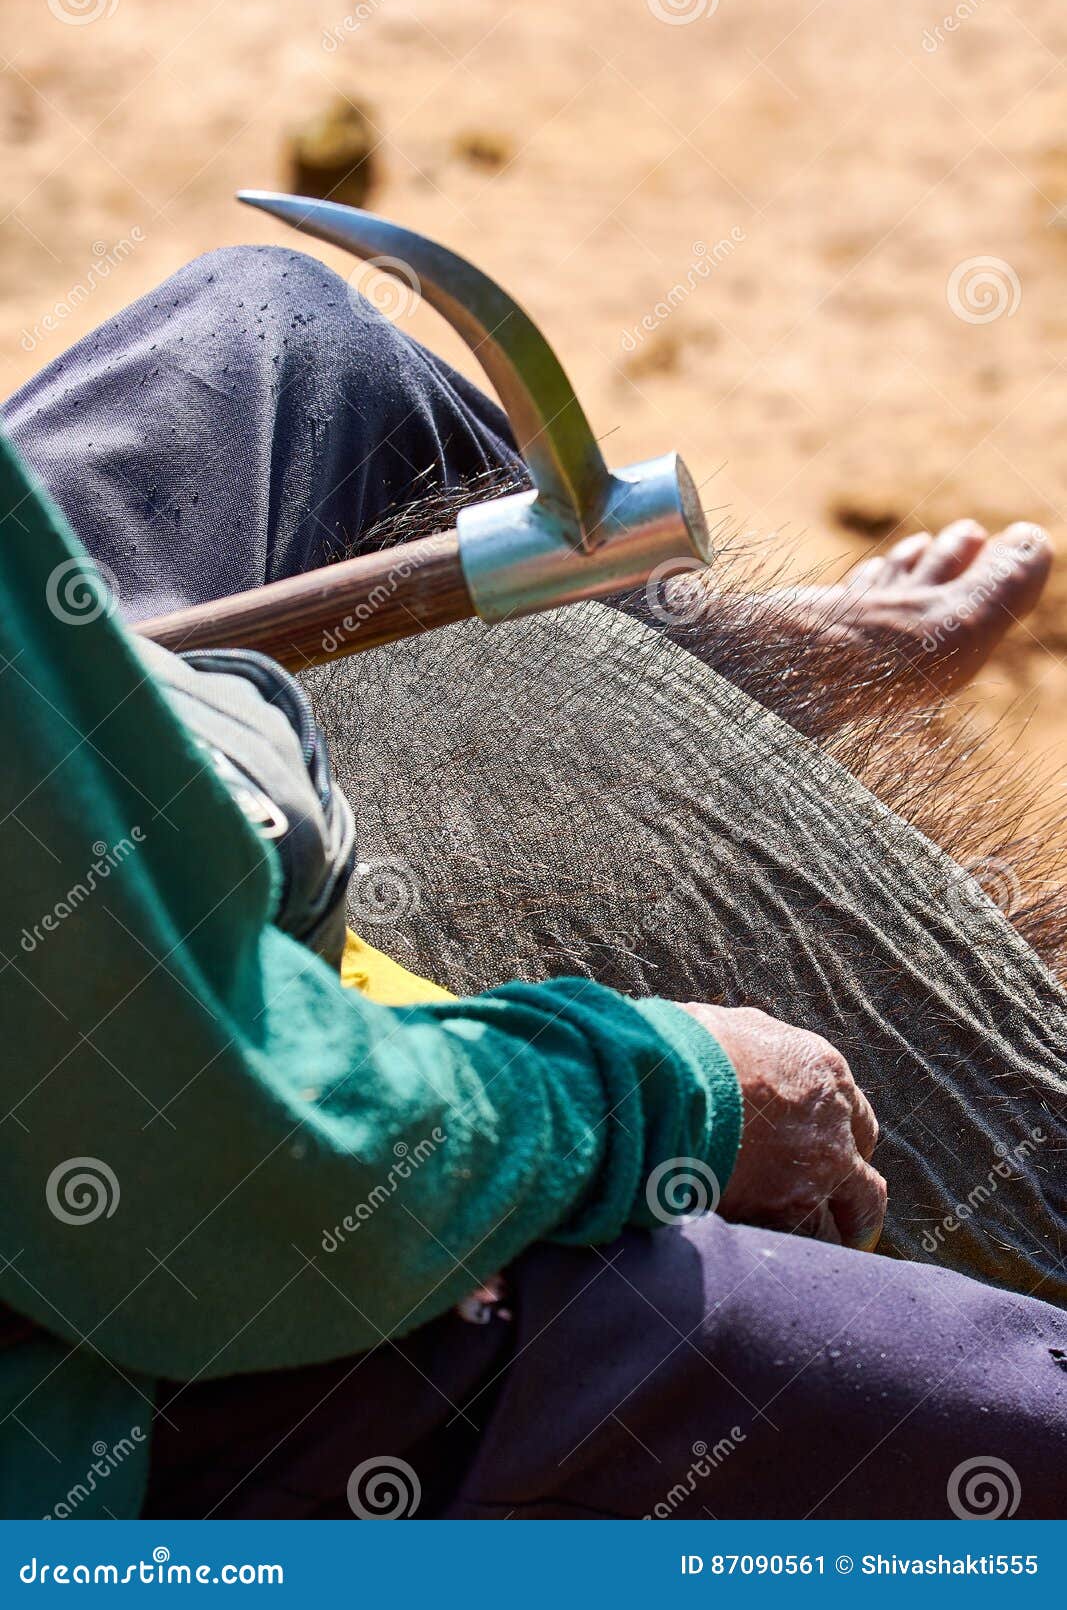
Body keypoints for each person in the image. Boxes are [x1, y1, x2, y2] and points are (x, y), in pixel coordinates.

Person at [1, 246, 1064, 1523]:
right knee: (1000, 1419)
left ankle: (641, 629)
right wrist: (655, 1090)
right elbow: (236, 1158)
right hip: (101, 1359)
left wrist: (86, 680)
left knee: (280, 335)